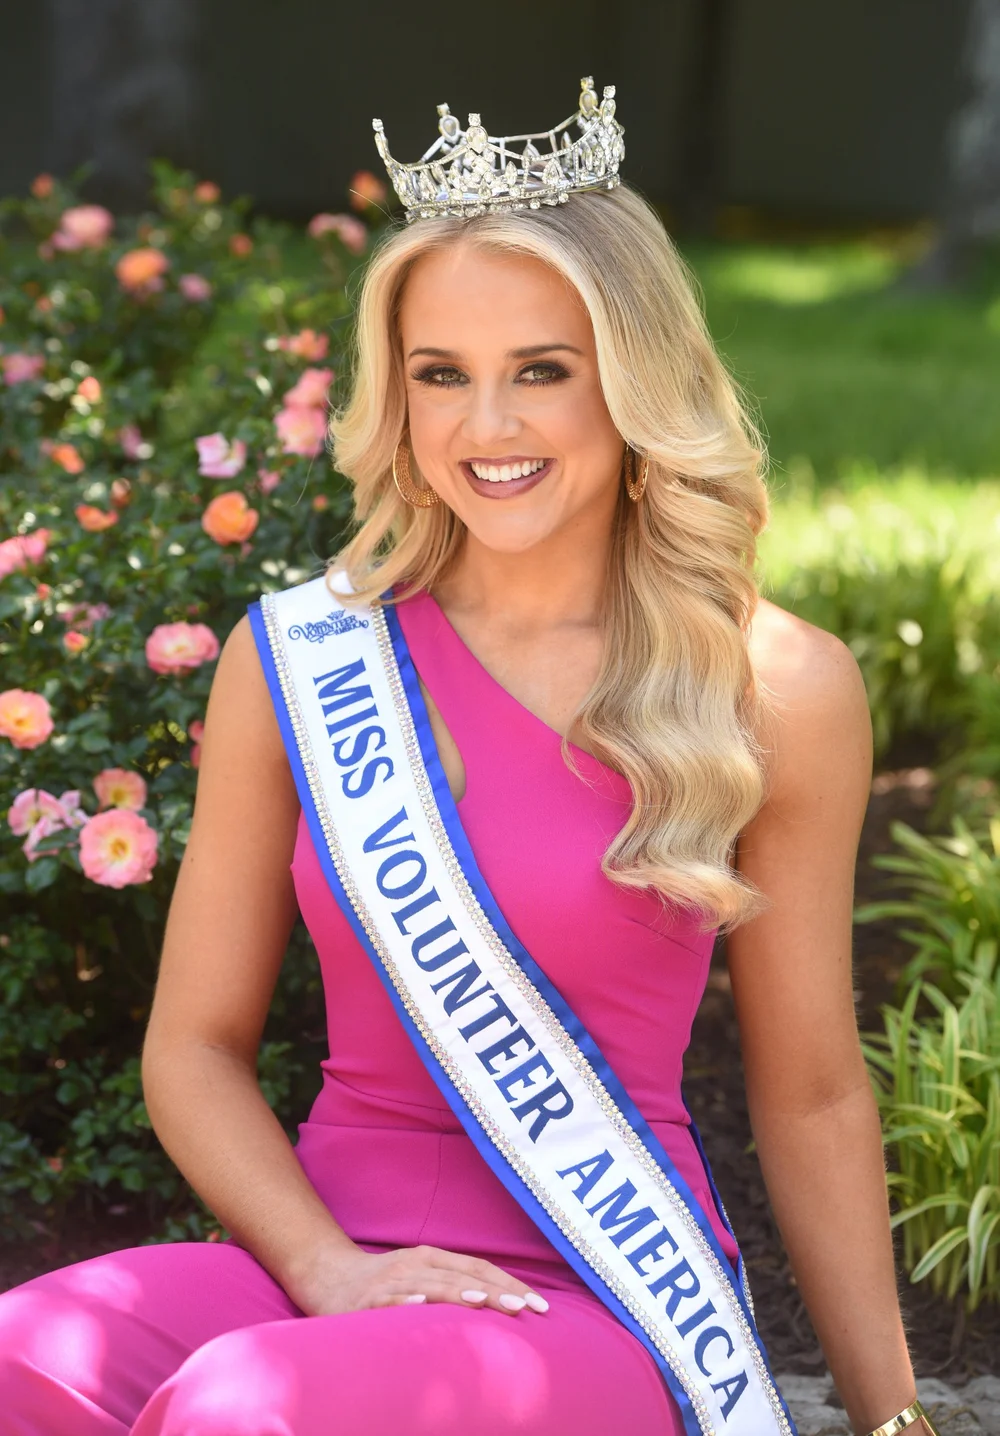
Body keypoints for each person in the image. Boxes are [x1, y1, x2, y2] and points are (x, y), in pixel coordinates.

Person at [0, 81, 938, 1436]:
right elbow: (193, 1049)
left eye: (541, 371)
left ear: (634, 380)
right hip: (325, 1263)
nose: (486, 427)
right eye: (441, 374)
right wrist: (326, 1269)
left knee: (238, 1411)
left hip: (598, 1296)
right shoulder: (303, 657)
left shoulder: (774, 685)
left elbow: (811, 1096)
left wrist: (896, 1419)